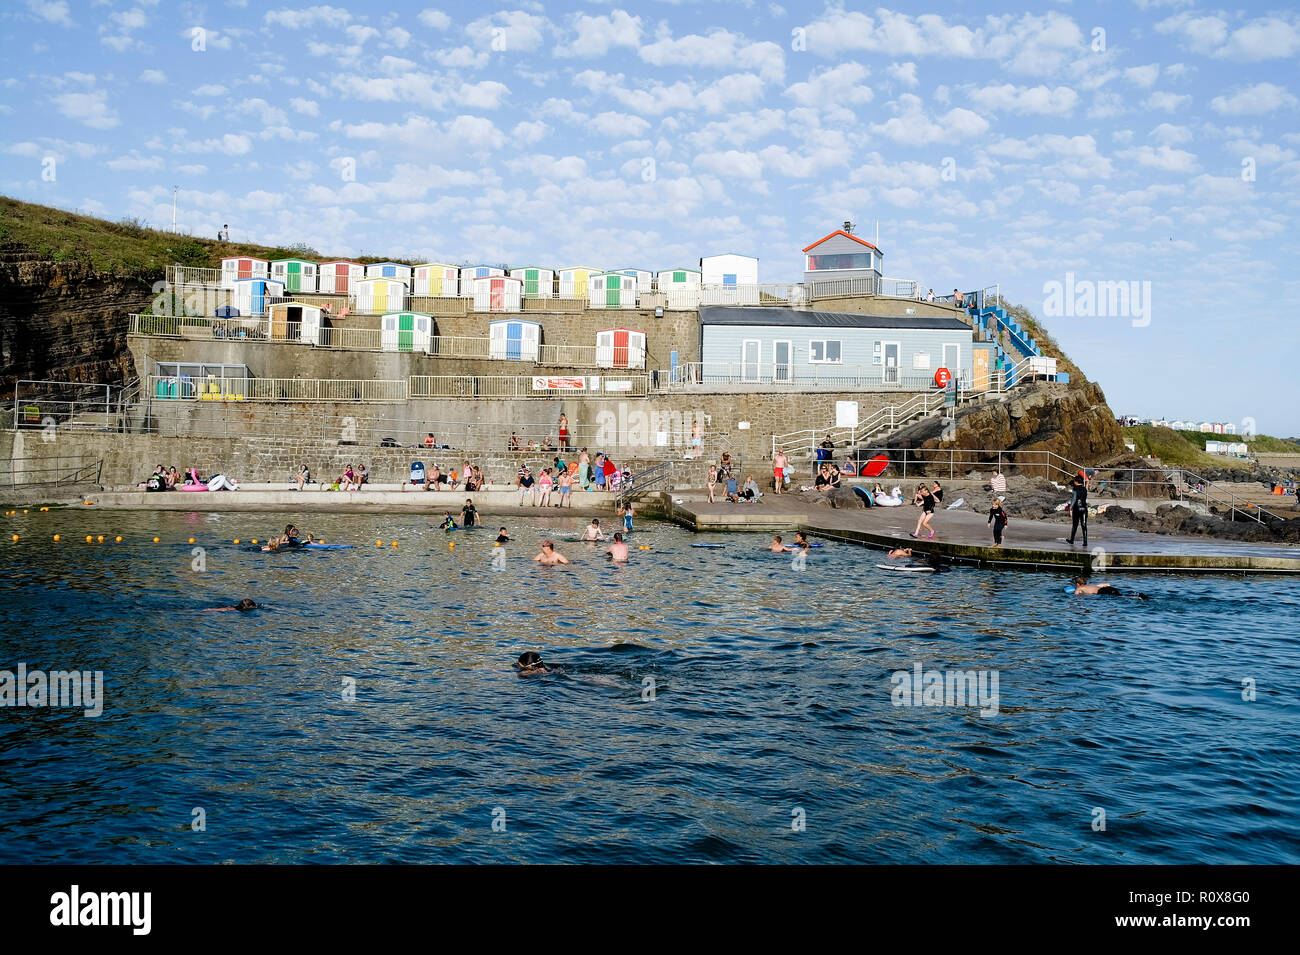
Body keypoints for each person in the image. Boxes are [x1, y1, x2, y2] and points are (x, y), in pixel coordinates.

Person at [1065, 471, 1089, 546]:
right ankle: (1085, 542)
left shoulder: (1075, 489)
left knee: (1075, 525)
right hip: (1084, 508)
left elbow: (1074, 499)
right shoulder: (1085, 489)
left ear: (1076, 481)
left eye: (1074, 481)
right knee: (1084, 525)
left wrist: (1070, 509)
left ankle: (1072, 540)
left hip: (1077, 509)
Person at [1072, 576, 1148, 599]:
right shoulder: (1093, 585)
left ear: (1078, 584)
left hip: (1102, 592)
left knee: (1121, 597)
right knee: (1120, 595)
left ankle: (1138, 597)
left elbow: (1075, 595)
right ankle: (1138, 596)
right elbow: (1107, 584)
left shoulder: (1079, 588)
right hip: (1108, 589)